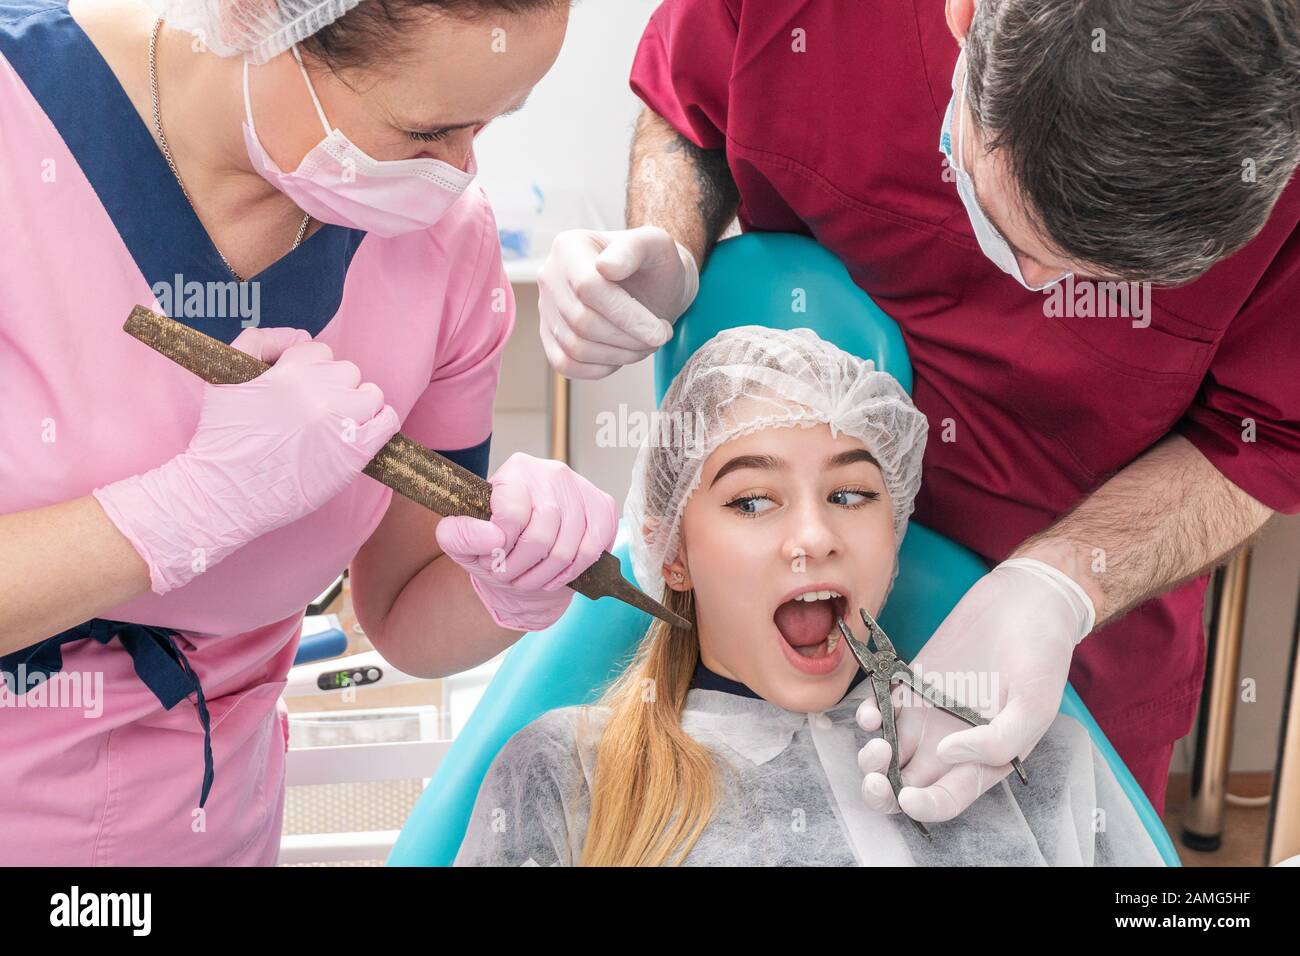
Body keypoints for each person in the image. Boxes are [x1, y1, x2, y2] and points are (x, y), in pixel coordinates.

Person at [534, 0, 1300, 820]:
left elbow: (1267, 437)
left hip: (1078, 661)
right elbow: (689, 110)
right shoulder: (560, 771)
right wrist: (669, 239)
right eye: (752, 500)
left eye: (1104, 283)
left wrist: (1059, 588)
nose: (1038, 289)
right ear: (967, 16)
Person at [0, 0, 617, 865]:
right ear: (262, 17)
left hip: (209, 823)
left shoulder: (440, 242)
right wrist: (187, 509)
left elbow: (405, 610)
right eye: (429, 128)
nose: (460, 171)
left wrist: (510, 584)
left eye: (490, 123)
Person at [454, 326, 1164, 866]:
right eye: (753, 502)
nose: (815, 536)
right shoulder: (566, 773)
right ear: (674, 554)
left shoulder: (1033, 759)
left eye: (851, 494)